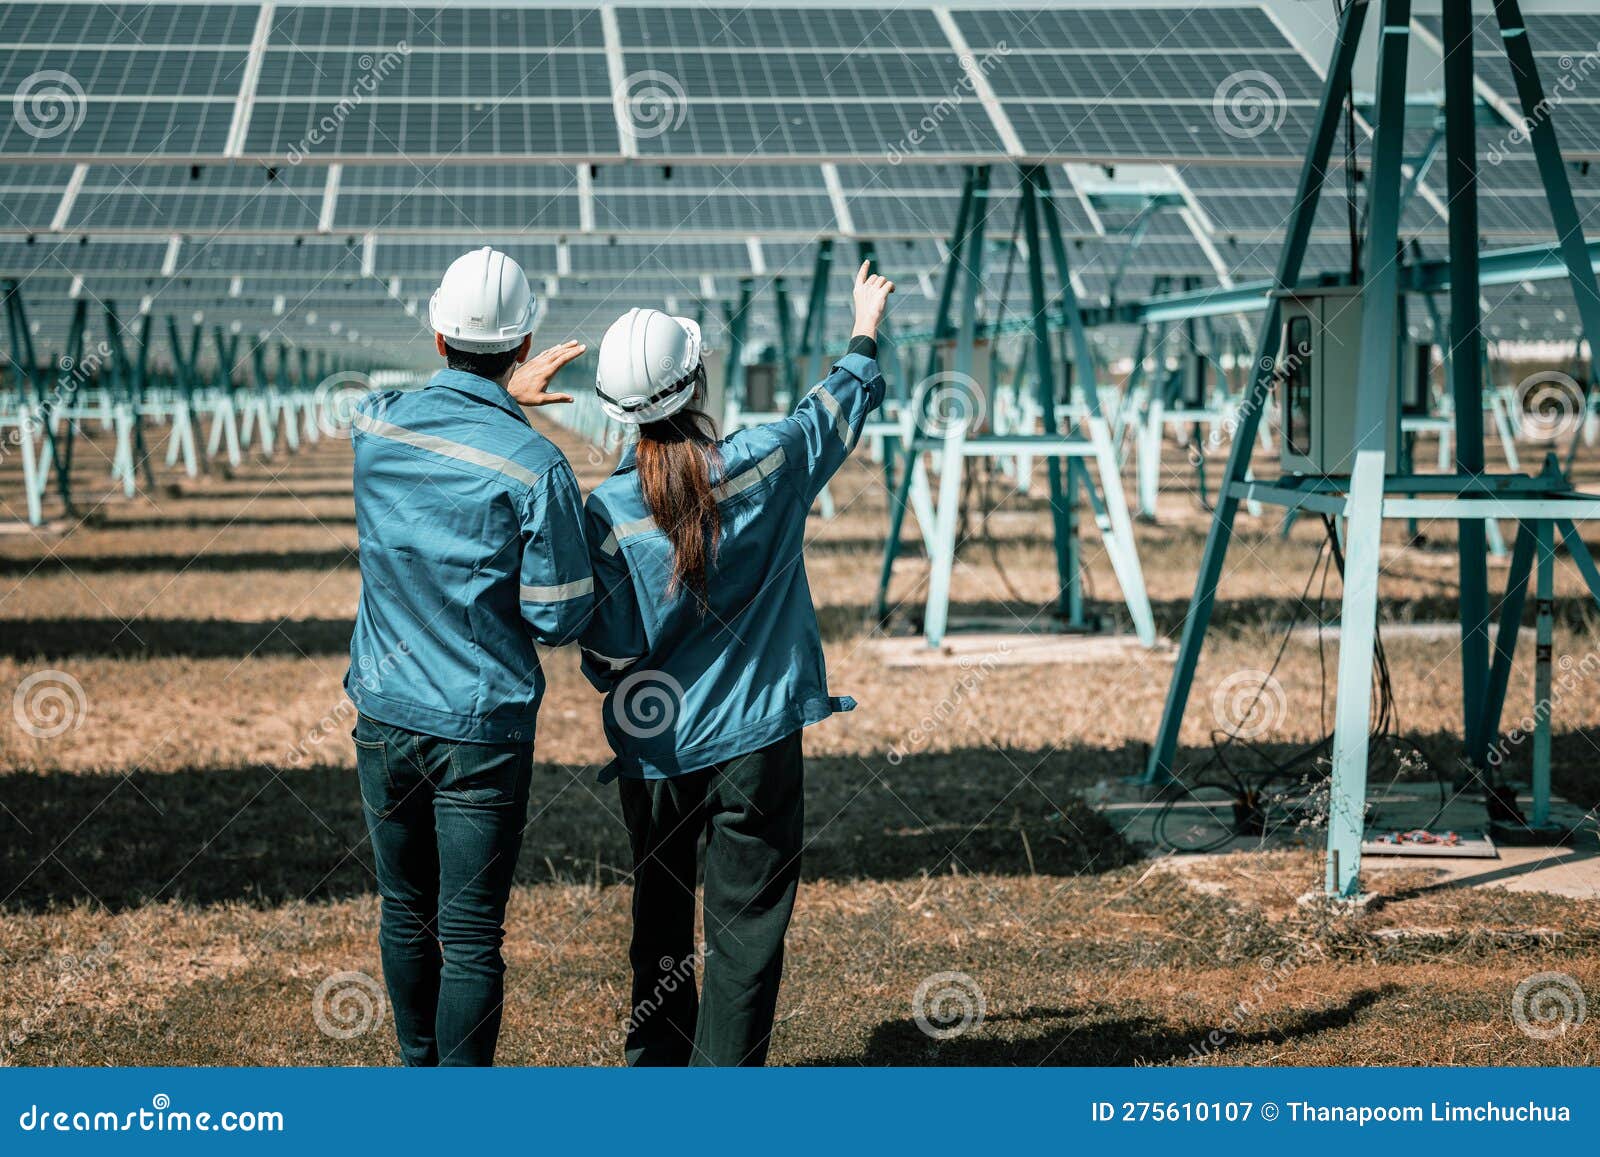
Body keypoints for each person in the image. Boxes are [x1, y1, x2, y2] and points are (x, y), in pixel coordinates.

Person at [580, 259, 894, 1066]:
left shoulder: (606, 513)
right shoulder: (770, 461)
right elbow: (833, 408)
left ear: (617, 412)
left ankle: (657, 1066)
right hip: (757, 745)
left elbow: (606, 651)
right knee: (747, 930)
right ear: (699, 380)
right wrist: (864, 327)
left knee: (660, 914)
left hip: (655, 750)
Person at [345, 247, 589, 1066]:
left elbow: (413, 403)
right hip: (481, 728)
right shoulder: (537, 467)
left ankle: (418, 1080)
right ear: (523, 348)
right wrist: (507, 406)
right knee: (473, 935)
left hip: (383, 712)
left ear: (437, 336)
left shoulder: (373, 424)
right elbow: (556, 619)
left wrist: (492, 394)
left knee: (402, 910)